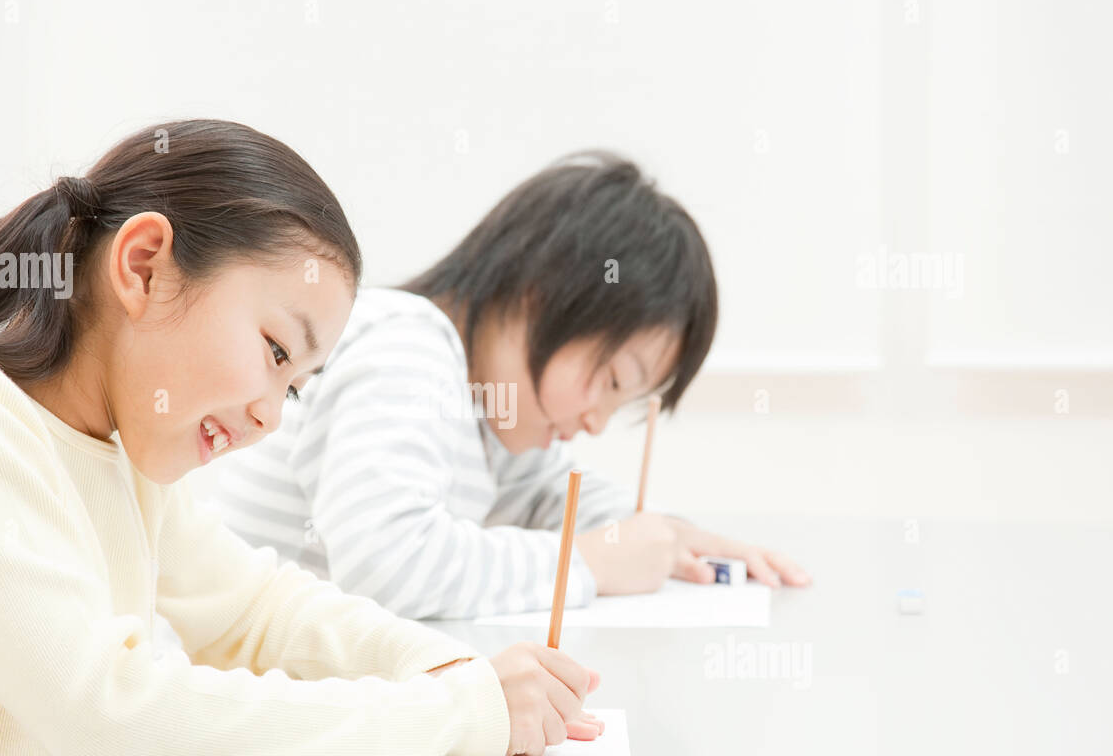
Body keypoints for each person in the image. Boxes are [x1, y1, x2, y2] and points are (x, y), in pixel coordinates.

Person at [0, 120, 601, 756]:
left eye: (296, 387)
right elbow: (105, 711)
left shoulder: (119, 456)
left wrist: (447, 664)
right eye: (274, 350)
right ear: (145, 263)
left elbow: (260, 610)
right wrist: (452, 713)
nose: (269, 414)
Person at [209, 150, 811, 620]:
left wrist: (667, 536)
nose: (598, 423)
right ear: (541, 295)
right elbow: (388, 564)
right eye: (610, 380)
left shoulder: (487, 414)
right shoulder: (407, 350)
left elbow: (553, 497)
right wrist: (589, 564)